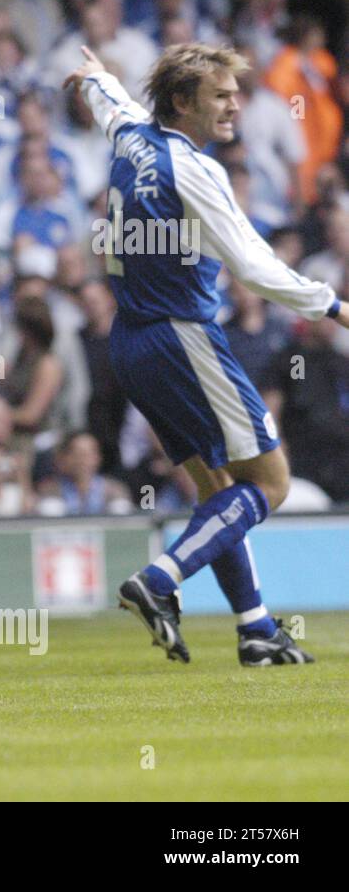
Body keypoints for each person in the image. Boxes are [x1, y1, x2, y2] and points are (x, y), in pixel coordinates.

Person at [65, 42, 348, 666]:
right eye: (220, 95)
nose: (233, 105)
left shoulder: (132, 136)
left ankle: (255, 629)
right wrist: (332, 306)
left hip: (131, 342)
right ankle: (159, 580)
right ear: (183, 101)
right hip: (185, 337)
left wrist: (93, 76)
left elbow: (109, 102)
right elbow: (253, 266)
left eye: (234, 93)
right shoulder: (195, 170)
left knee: (215, 488)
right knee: (269, 484)